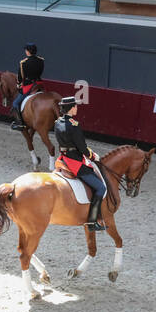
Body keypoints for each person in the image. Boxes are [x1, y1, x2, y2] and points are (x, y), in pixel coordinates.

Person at [54, 97, 106, 231]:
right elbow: (82, 147)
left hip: (63, 158)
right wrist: (92, 155)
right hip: (74, 161)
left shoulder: (57, 122)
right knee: (101, 188)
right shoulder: (74, 125)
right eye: (75, 106)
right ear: (71, 108)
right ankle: (91, 221)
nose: (77, 108)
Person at [11, 42, 44, 130]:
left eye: (26, 50)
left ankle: (20, 123)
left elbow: (20, 77)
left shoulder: (23, 63)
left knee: (15, 103)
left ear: (28, 51)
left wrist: (19, 84)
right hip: (39, 84)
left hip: (29, 86)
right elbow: (40, 72)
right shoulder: (41, 60)